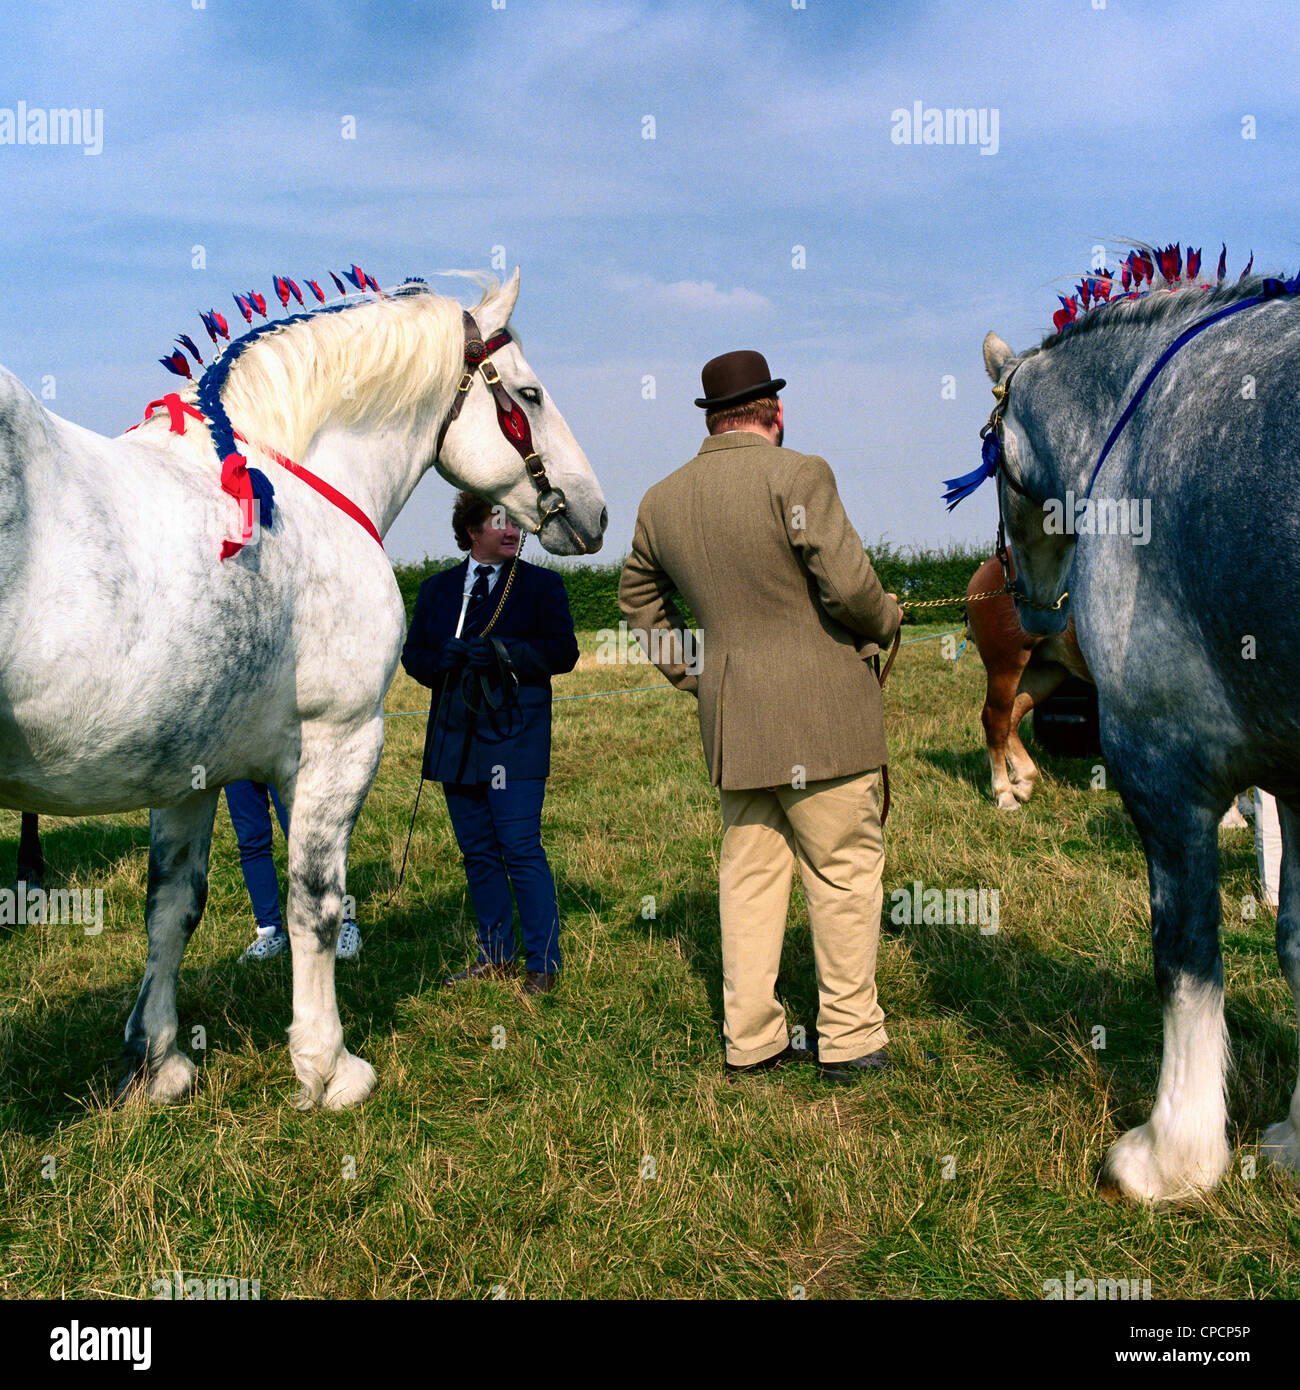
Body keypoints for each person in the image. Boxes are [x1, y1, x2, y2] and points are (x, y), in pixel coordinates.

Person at [618, 350, 903, 1082]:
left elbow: (638, 604)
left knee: (749, 882)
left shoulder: (662, 500)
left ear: (713, 419)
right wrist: (887, 618)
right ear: (773, 413)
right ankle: (848, 1039)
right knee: (841, 876)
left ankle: (751, 1041)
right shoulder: (798, 474)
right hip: (823, 718)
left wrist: (693, 671)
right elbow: (850, 589)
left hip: (734, 724)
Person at [400, 491, 577, 995]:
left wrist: (504, 652)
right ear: (472, 531)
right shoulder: (436, 590)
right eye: (500, 521)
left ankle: (542, 963)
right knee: (477, 853)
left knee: (520, 850)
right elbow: (414, 655)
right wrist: (442, 661)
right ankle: (495, 957)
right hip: (455, 742)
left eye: (518, 522)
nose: (513, 530)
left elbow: (563, 652)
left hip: (514, 740)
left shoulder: (542, 586)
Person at [232, 779, 361, 961]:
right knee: (251, 842)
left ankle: (342, 923)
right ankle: (270, 933)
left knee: (303, 834)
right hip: (235, 756)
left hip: (280, 752)